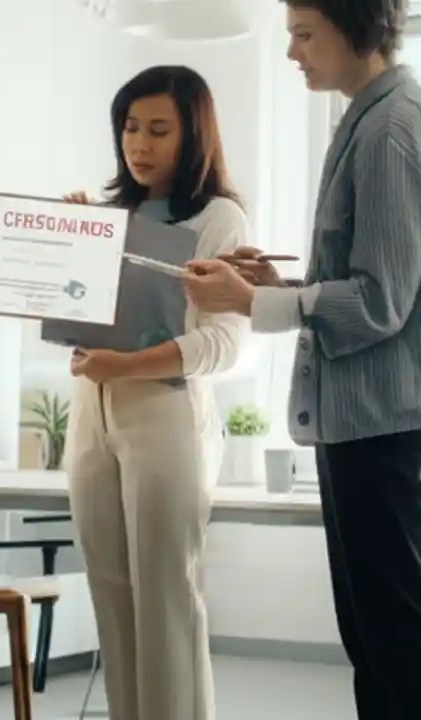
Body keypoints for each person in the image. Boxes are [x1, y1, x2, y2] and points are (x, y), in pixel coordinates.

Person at [185, 1, 421, 718]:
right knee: (377, 630)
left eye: (303, 34)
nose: (292, 52)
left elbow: (380, 302)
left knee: (392, 631)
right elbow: (375, 283)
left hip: (385, 415)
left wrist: (254, 303)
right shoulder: (375, 119)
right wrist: (276, 288)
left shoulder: (393, 129)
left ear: (356, 26)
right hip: (374, 413)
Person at [61, 65, 249, 720]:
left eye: (158, 130)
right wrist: (68, 242)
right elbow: (74, 317)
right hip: (93, 410)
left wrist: (127, 366)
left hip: (167, 410)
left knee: (166, 596)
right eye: (130, 127)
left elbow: (222, 343)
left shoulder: (220, 218)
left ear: (193, 134)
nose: (139, 144)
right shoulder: (112, 214)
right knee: (111, 598)